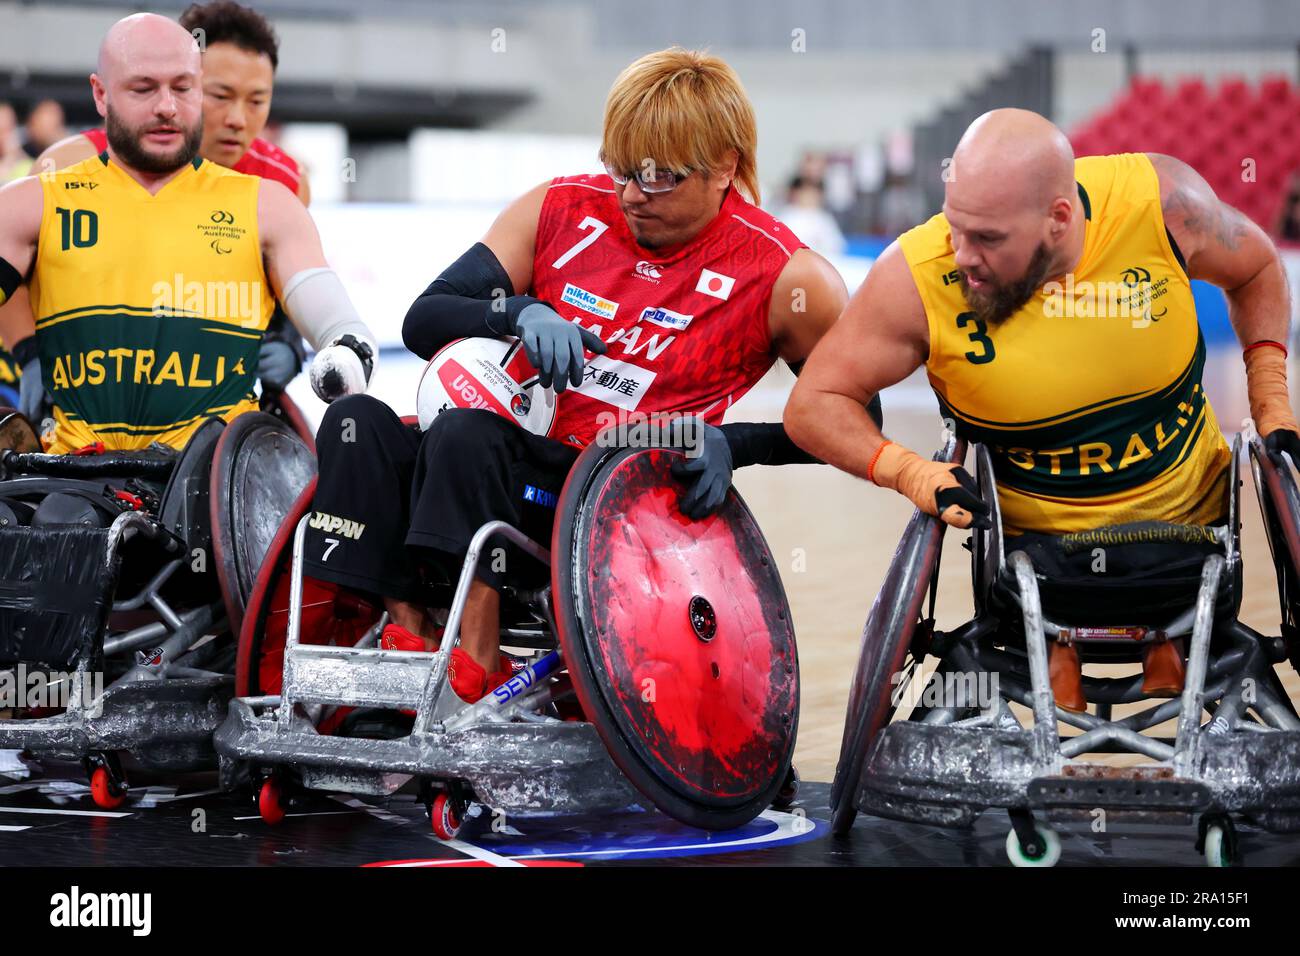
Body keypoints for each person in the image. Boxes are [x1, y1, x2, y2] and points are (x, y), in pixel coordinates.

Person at [305, 48, 878, 705]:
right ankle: (405, 635)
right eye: (623, 171)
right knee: (357, 424)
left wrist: (736, 446)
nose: (632, 195)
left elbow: (859, 422)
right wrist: (519, 312)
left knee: (466, 436)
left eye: (659, 178)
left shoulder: (787, 276)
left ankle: (476, 660)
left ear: (724, 166)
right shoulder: (558, 209)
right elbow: (424, 320)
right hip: (498, 462)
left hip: (616, 500)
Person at [785, 108, 1298, 711]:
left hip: (1191, 543)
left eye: (988, 239)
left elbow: (1259, 265)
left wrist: (1272, 404)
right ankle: (1068, 648)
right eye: (956, 228)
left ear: (1059, 218)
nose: (963, 255)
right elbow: (814, 404)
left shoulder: (1159, 204)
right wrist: (912, 473)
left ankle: (1162, 638)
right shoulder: (919, 276)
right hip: (1031, 564)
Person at [0, 13, 373, 455]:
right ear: (101, 95)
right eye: (143, 88)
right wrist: (29, 354)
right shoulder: (48, 185)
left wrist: (302, 346)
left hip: (211, 473)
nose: (167, 107)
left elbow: (333, 322)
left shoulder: (276, 194)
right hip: (72, 464)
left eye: (182, 87)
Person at [7, 1, 310, 399]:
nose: (238, 118)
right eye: (220, 95)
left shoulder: (285, 182)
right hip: (60, 378)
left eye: (257, 100)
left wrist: (288, 341)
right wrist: (29, 354)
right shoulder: (66, 166)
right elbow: (15, 273)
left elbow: (290, 282)